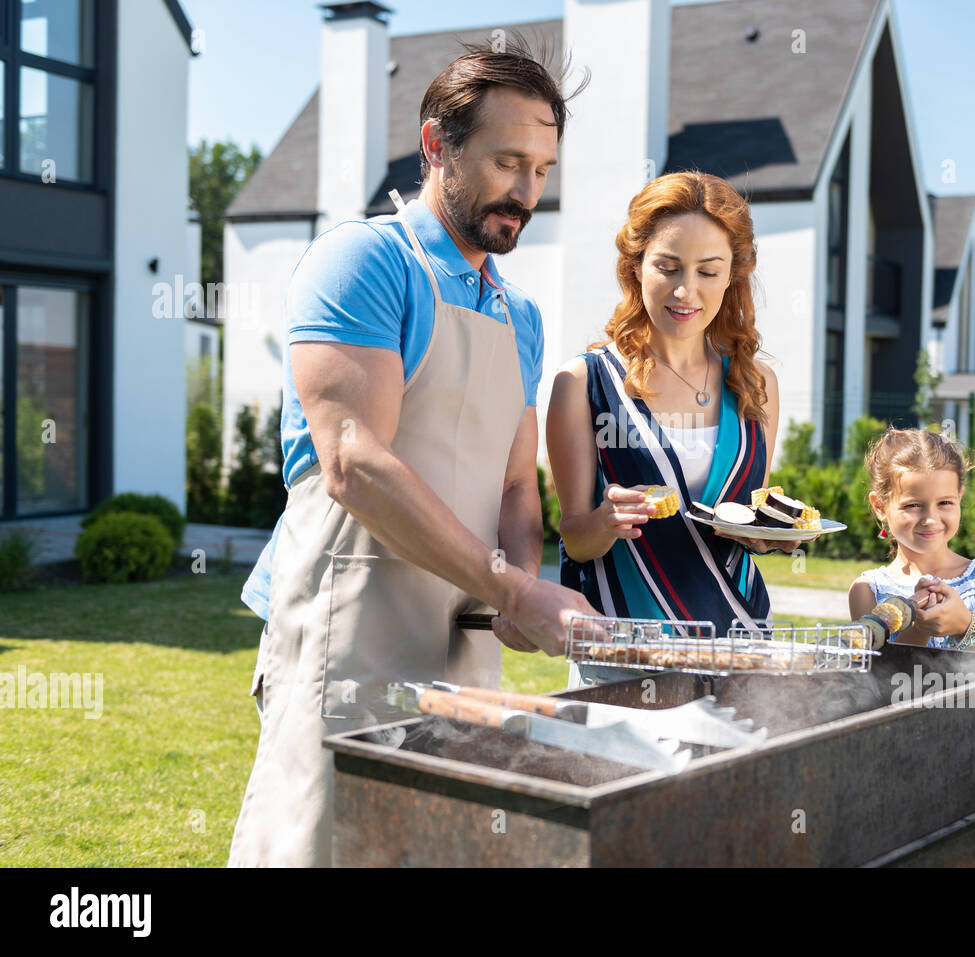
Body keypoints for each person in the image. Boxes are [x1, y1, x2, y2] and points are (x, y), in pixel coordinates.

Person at [228, 39, 598, 867]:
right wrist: (507, 583)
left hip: (463, 638)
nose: (527, 191)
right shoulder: (362, 262)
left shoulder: (521, 316)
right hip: (349, 637)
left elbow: (515, 485)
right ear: (438, 146)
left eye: (542, 169)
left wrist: (520, 588)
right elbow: (353, 461)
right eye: (508, 161)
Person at [547, 171, 817, 667]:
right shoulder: (583, 384)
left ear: (733, 274)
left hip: (741, 644)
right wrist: (607, 520)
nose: (685, 291)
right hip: (624, 649)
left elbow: (745, 515)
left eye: (707, 272)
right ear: (636, 267)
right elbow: (575, 541)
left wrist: (768, 534)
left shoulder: (757, 385)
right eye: (667, 267)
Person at [847, 426, 975, 866]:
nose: (931, 519)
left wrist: (966, 627)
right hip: (901, 770)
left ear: (960, 498)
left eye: (945, 503)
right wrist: (919, 628)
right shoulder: (868, 590)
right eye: (912, 505)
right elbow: (879, 690)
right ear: (881, 507)